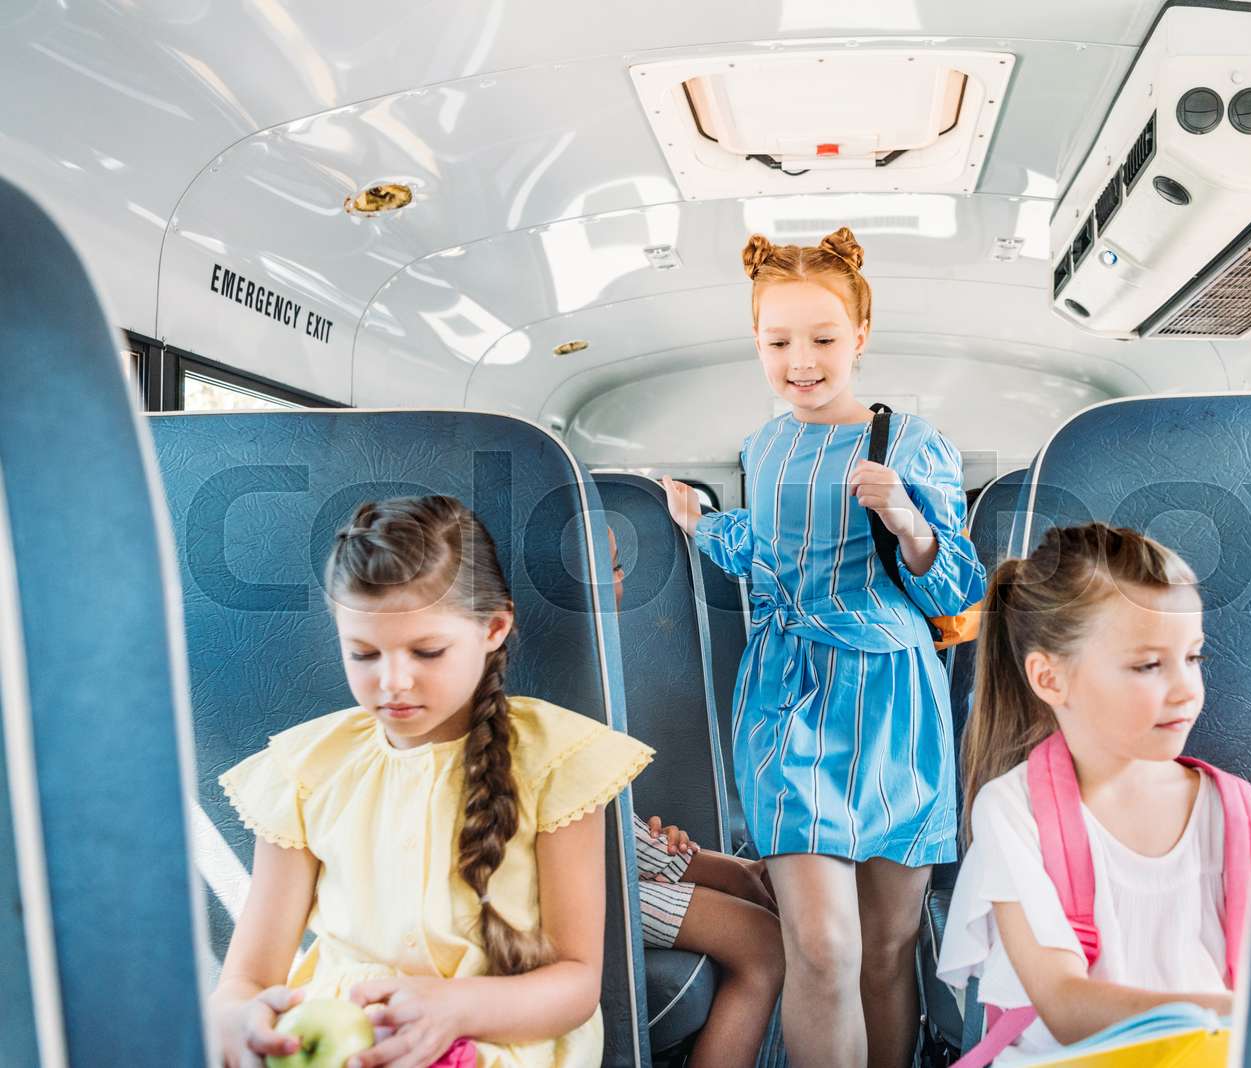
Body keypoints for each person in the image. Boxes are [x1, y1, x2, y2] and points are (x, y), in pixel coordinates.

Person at [661, 227, 986, 1068]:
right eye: (778, 342)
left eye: (823, 339)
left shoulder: (912, 444)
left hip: (892, 704)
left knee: (884, 951)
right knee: (824, 945)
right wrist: (701, 523)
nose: (800, 361)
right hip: (787, 697)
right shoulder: (764, 446)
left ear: (861, 336)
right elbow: (766, 555)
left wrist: (909, 522)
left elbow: (956, 592)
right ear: (756, 342)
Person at [210, 495, 650, 1068]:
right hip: (337, 1040)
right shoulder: (305, 769)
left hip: (495, 1039)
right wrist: (239, 1018)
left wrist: (455, 1009)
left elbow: (575, 983)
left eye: (427, 651)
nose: (393, 681)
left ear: (493, 628)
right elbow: (246, 977)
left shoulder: (554, 761)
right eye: (363, 654)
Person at [937, 524, 1251, 1065]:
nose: (1186, 689)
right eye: (1148, 665)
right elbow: (1066, 1006)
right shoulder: (1013, 811)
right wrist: (1242, 1014)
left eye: (1193, 658)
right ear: (1050, 679)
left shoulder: (1233, 809)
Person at [608, 527, 785, 1067]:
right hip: (587, 882)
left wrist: (729, 870)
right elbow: (602, 838)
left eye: (618, 565)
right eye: (606, 568)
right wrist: (728, 872)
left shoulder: (600, 663)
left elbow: (615, 827)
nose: (618, 581)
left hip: (615, 862)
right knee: (766, 944)